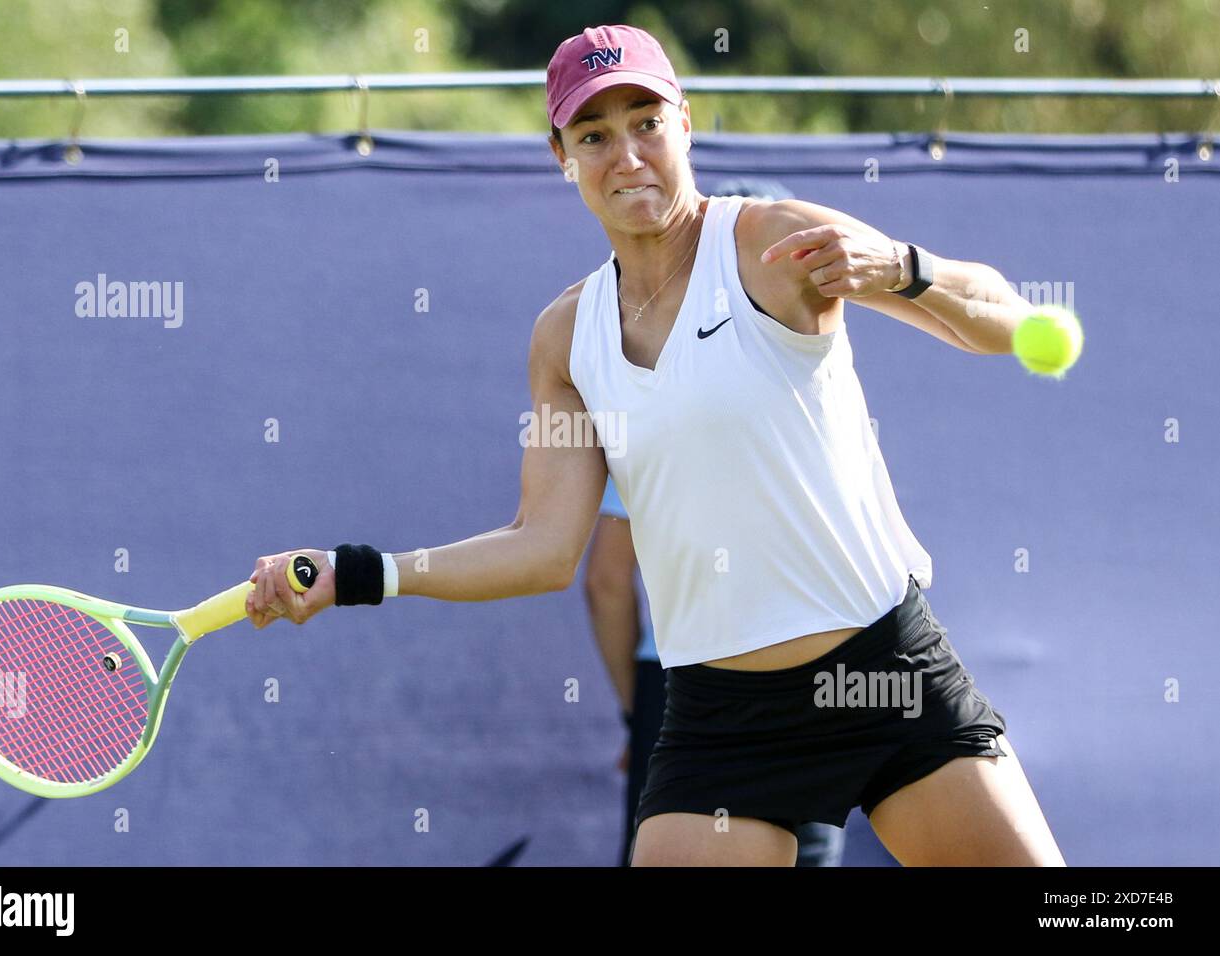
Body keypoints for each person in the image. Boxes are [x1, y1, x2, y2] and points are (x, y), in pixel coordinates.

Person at [246, 23, 1065, 867]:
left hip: (880, 671)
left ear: (685, 120)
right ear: (559, 153)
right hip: (719, 719)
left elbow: (1005, 318)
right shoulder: (565, 340)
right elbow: (543, 548)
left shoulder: (769, 243)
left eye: (645, 121)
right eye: (594, 136)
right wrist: (355, 574)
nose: (627, 155)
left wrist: (900, 266)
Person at [586, 475, 846, 866]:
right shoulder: (822, 420)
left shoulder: (644, 425)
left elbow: (605, 581)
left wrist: (639, 716)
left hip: (679, 685)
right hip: (802, 680)